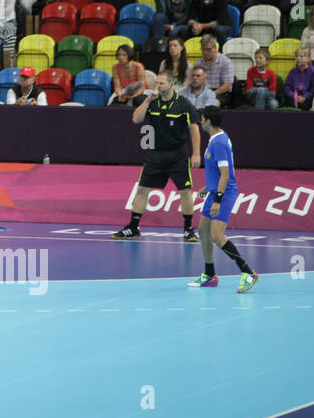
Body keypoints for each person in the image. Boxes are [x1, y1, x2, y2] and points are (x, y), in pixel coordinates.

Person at [111, 69, 201, 241]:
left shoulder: (183, 104)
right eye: (157, 83)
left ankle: (189, 229)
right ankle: (133, 227)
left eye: (162, 83)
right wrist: (147, 99)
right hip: (156, 154)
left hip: (177, 154)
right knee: (142, 189)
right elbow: (136, 119)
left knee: (185, 191)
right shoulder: (152, 102)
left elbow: (194, 128)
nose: (158, 86)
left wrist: (196, 153)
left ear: (171, 84)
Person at [189, 107, 259, 293]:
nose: (200, 122)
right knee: (203, 231)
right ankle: (210, 275)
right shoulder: (217, 137)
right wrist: (208, 188)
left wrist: (218, 200)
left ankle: (247, 272)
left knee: (216, 235)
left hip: (224, 193)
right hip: (215, 191)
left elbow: (225, 174)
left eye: (202, 119)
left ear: (209, 121)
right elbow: (218, 172)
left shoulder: (218, 142)